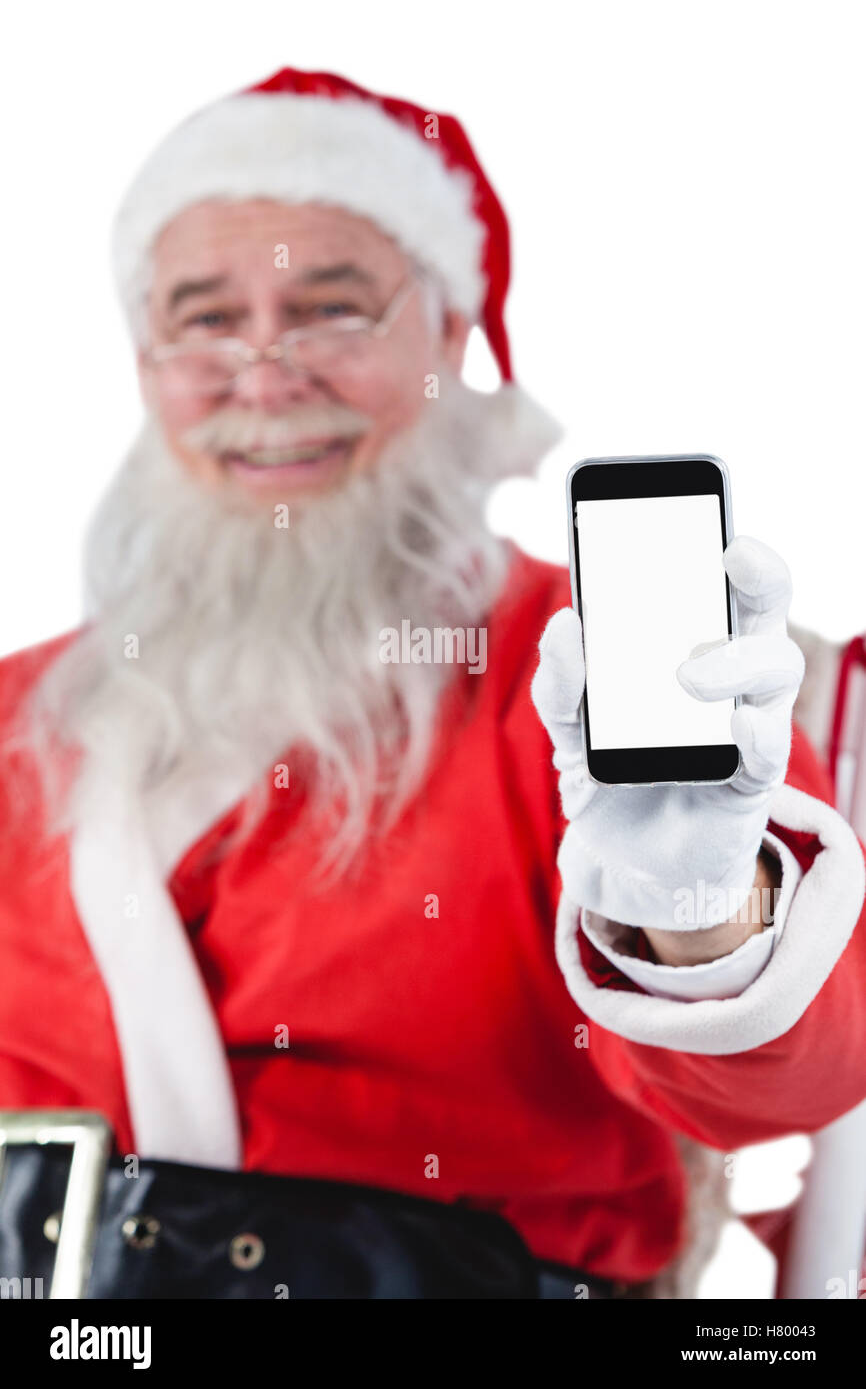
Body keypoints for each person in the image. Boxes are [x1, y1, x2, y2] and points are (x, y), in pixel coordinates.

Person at [0, 67, 864, 1300]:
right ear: (144, 362)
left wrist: (699, 920)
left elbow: (794, 1072)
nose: (263, 371)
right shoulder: (23, 711)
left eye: (332, 309)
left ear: (448, 341)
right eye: (203, 318)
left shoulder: (591, 660)